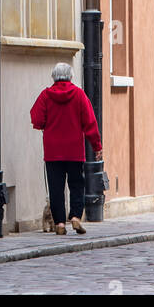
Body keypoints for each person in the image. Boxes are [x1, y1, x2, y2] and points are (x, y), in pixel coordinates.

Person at [30, 62, 102, 235]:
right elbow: (90, 122)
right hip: (74, 149)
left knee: (56, 187)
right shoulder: (79, 95)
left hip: (53, 150)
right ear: (70, 76)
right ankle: (76, 217)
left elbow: (37, 118)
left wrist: (44, 125)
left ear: (54, 76)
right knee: (77, 183)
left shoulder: (46, 95)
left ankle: (60, 223)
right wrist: (96, 145)